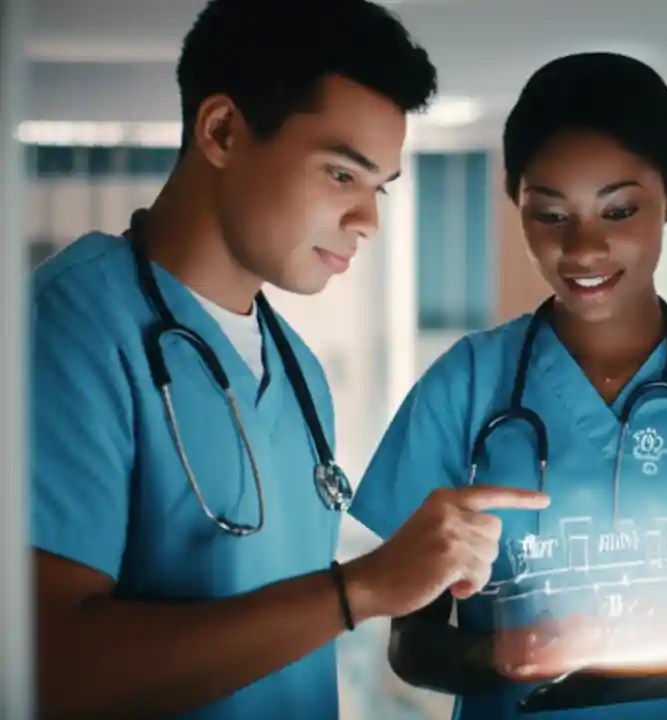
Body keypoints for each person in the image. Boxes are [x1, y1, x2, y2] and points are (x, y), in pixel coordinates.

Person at [29, 1, 548, 718]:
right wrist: (360, 589)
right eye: (342, 174)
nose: (367, 220)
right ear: (222, 131)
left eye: (378, 189)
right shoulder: (69, 329)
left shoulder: (299, 375)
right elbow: (48, 670)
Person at [348, 52, 667, 720]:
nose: (584, 249)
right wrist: (503, 654)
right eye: (551, 215)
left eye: (619, 211)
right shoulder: (463, 391)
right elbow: (410, 645)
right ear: (516, 204)